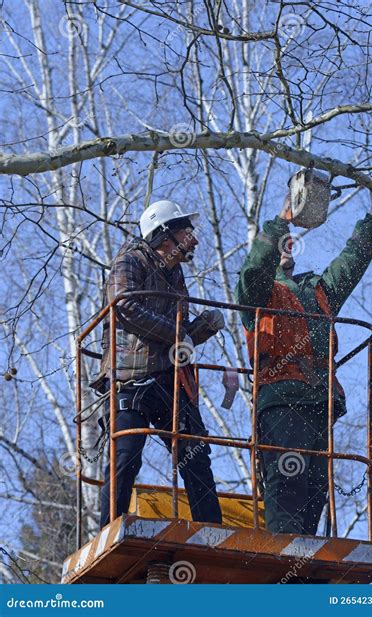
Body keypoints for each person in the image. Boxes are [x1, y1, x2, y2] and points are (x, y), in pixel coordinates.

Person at [235, 185, 372, 535]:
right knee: (286, 486)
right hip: (281, 402)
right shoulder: (258, 291)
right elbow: (255, 267)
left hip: (319, 402)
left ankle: (302, 571)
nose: (288, 245)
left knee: (316, 491)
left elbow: (352, 262)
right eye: (282, 242)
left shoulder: (316, 291)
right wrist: (282, 221)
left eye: (290, 241)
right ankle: (286, 570)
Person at [91, 200, 224, 529]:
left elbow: (177, 337)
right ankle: (109, 530)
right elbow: (124, 307)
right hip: (129, 378)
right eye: (184, 232)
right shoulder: (131, 260)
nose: (191, 239)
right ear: (163, 235)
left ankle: (213, 531)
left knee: (195, 454)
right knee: (126, 454)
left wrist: (201, 328)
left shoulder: (174, 273)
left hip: (166, 379)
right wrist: (180, 334)